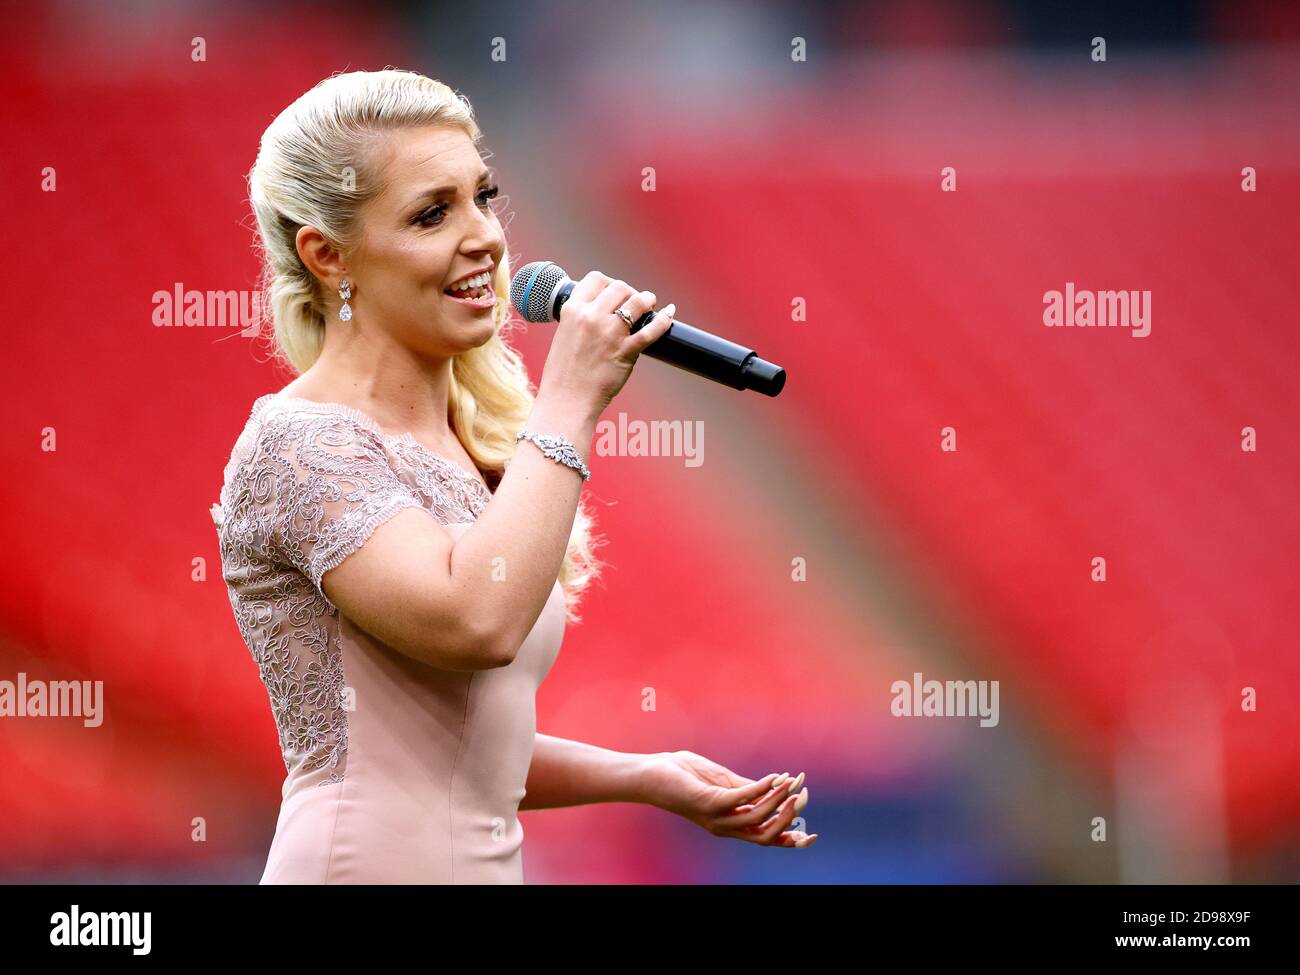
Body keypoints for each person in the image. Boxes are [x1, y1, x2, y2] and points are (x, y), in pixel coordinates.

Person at [211, 68, 816, 884]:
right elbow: (476, 622)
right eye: (433, 213)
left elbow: (457, 752)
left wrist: (648, 775)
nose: (486, 238)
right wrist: (567, 402)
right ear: (327, 255)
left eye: (483, 197)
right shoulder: (299, 446)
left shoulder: (463, 440)